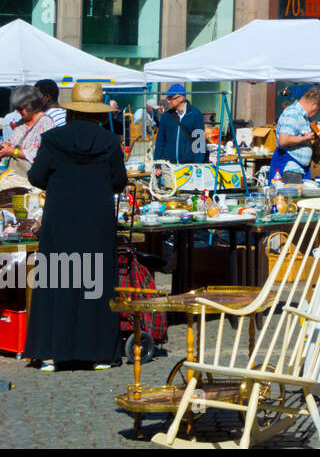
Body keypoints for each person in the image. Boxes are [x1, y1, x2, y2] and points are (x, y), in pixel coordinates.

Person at [23, 83, 127, 371]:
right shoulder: (109, 141)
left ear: (70, 111)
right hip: (96, 221)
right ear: (98, 113)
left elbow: (36, 176)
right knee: (96, 287)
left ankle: (49, 353)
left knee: (57, 284)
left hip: (61, 220)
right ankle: (99, 354)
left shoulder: (53, 138)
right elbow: (119, 181)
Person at [271, 87, 320, 181]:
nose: (316, 113)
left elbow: (319, 130)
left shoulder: (305, 117)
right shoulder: (292, 113)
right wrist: (305, 138)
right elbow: (283, 140)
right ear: (313, 105)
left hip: (300, 170)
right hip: (290, 170)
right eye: (317, 110)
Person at [0, 85, 57, 179]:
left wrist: (13, 152)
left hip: (32, 179)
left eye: (20, 108)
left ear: (31, 105)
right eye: (16, 109)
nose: (18, 112)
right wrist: (6, 146)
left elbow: (42, 154)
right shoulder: (21, 122)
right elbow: (14, 143)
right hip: (15, 176)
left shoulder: (46, 123)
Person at [152, 84, 207, 164]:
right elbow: (160, 141)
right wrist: (157, 163)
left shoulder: (196, 115)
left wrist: (197, 165)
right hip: (169, 165)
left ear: (181, 98)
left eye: (171, 98)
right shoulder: (166, 116)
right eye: (168, 98)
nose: (168, 101)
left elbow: (199, 143)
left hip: (189, 165)